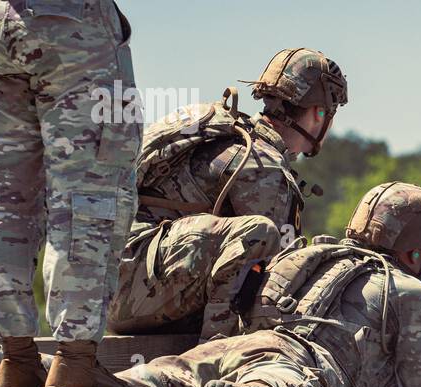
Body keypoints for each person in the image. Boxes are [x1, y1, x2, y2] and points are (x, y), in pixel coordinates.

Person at [0, 183, 421, 387]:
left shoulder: (309, 255)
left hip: (247, 343)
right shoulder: (408, 290)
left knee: (139, 383)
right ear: (417, 250)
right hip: (303, 369)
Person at [0, 0, 143, 387]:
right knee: (92, 190)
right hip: (69, 19)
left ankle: (17, 363)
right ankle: (75, 362)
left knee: (3, 199)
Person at [108, 48, 349, 340]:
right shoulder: (264, 167)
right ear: (318, 113)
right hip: (133, 295)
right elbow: (282, 275)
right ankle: (217, 352)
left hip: (107, 288)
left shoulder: (224, 132)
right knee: (259, 235)